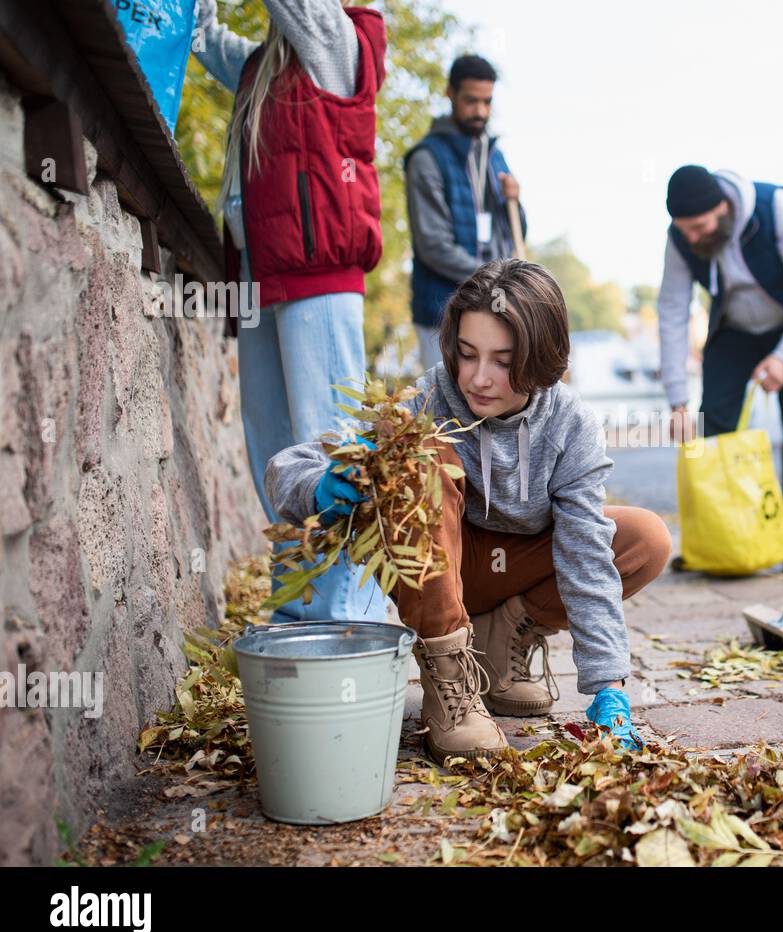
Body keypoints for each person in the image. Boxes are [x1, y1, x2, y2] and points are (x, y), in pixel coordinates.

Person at [265, 260, 672, 759]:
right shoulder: (427, 399)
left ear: (542, 358)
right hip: (440, 570)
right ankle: (450, 681)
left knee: (644, 537)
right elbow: (288, 467)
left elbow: (586, 553)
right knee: (420, 458)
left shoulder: (571, 425)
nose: (479, 378)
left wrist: (608, 683)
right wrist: (320, 487)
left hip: (515, 567)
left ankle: (501, 645)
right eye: (467, 354)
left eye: (503, 361)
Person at [193, 0, 388, 624]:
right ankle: (301, 608)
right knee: (276, 454)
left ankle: (347, 615)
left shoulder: (339, 43)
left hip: (319, 277)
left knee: (330, 447)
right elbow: (201, 37)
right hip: (259, 277)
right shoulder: (261, 69)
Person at [658, 165, 783, 572]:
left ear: (723, 208)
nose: (692, 237)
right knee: (716, 424)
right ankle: (719, 537)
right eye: (684, 229)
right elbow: (672, 310)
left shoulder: (774, 207)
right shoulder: (681, 236)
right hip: (736, 329)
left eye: (699, 227)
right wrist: (676, 399)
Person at [405, 54, 525, 372]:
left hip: (494, 309)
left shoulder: (495, 156)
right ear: (450, 94)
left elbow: (513, 235)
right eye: (471, 101)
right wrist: (493, 281)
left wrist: (516, 202)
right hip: (442, 315)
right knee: (448, 416)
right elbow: (434, 246)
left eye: (487, 102)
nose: (480, 111)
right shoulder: (427, 159)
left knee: (493, 414)